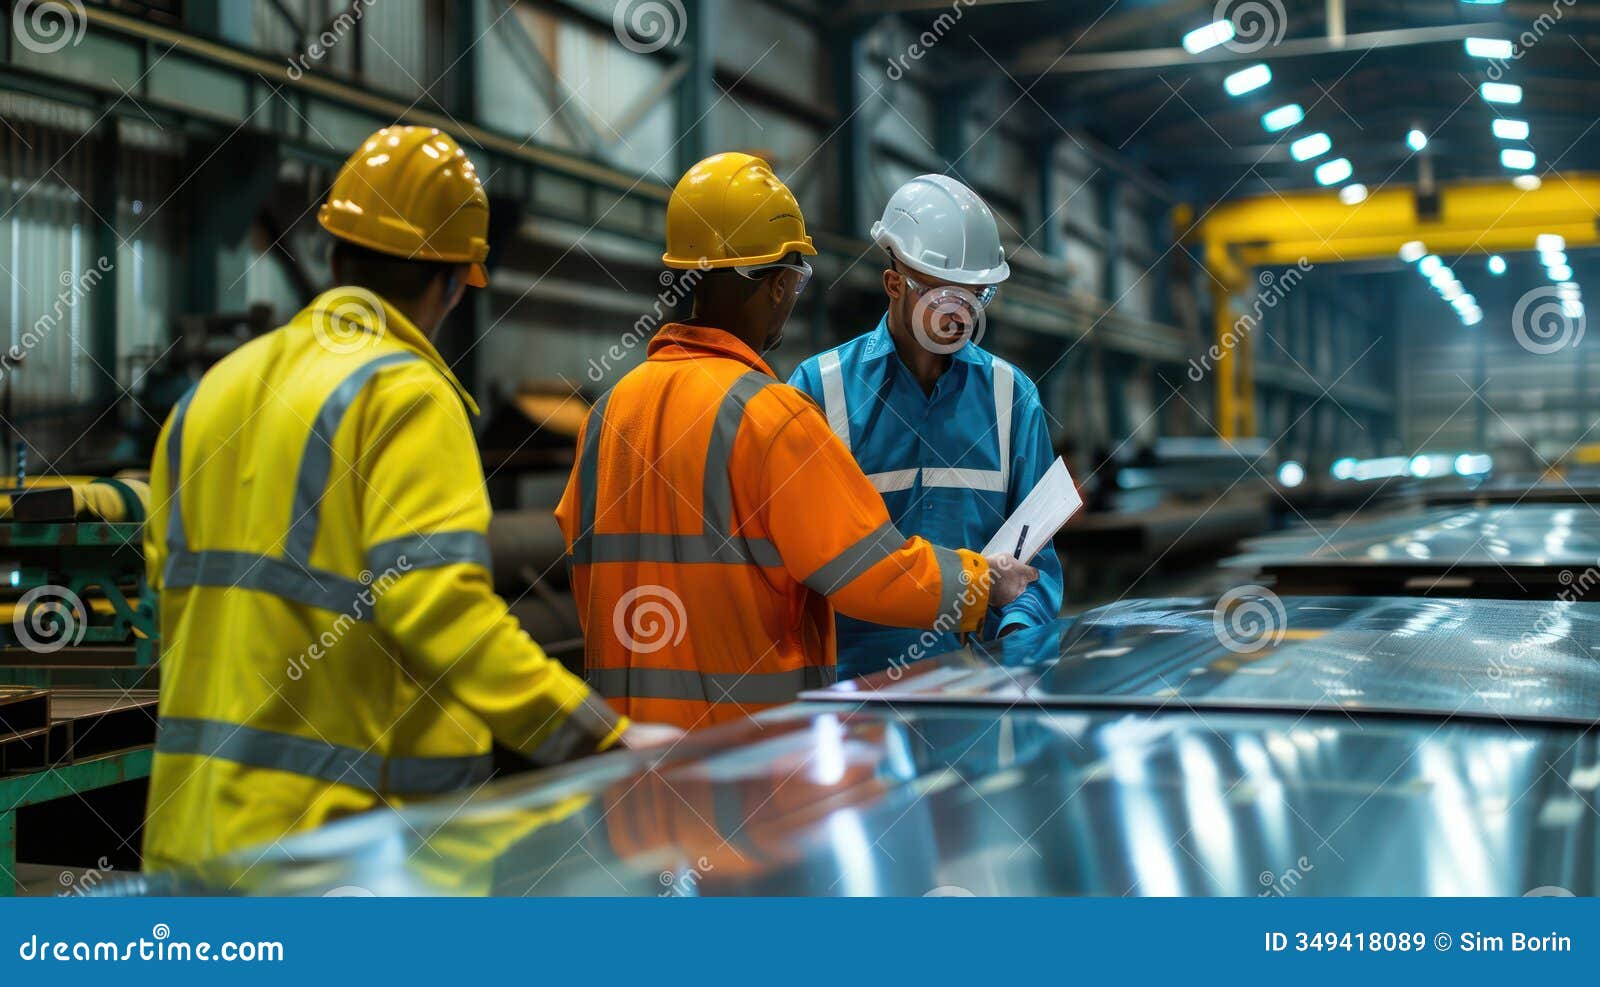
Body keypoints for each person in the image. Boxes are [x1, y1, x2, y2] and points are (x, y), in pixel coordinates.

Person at [141, 126, 678, 870]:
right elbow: (438, 607)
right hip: (339, 851)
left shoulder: (208, 395)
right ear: (451, 283)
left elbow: (169, 591)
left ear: (334, 255)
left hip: (186, 842)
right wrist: (599, 735)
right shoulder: (404, 394)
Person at [555, 152, 1037, 730]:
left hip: (629, 745)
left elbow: (583, 558)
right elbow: (869, 570)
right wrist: (986, 583)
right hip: (752, 746)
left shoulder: (607, 413)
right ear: (781, 285)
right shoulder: (775, 412)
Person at [789, 175, 1064, 680]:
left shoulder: (1012, 396)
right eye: (943, 297)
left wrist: (1016, 639)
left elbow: (1037, 555)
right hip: (855, 692)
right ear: (894, 284)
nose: (961, 315)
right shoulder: (819, 389)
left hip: (980, 684)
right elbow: (804, 554)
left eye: (976, 296)